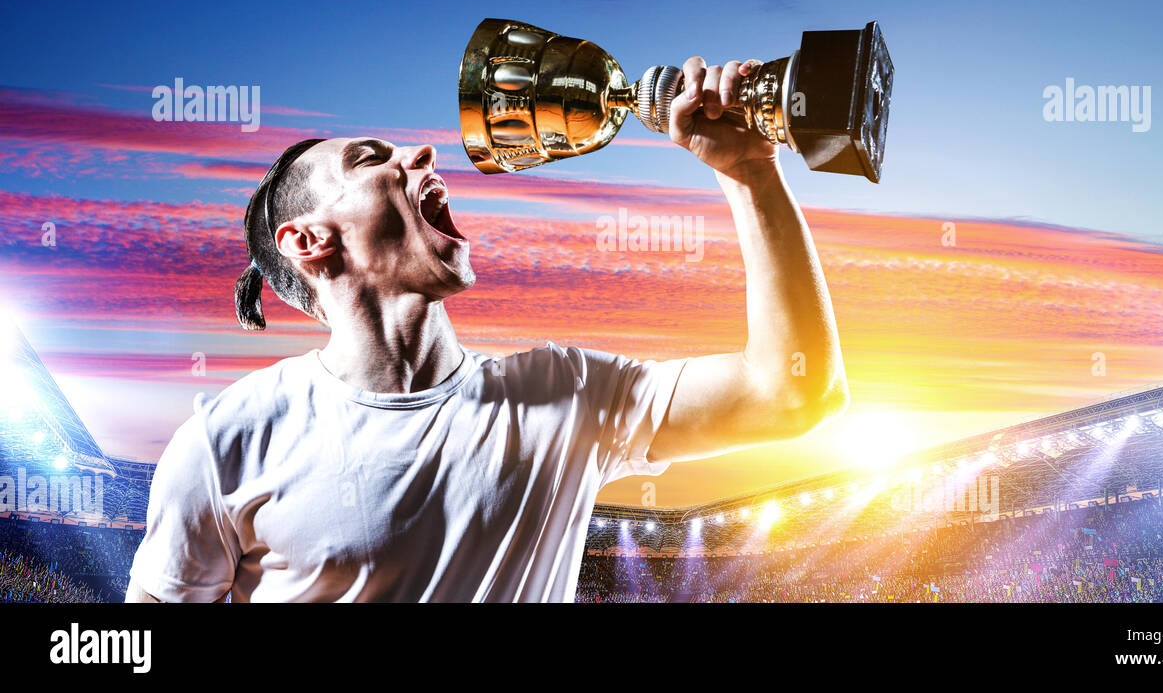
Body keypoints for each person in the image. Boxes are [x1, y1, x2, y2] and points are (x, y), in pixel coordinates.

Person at [127, 57, 848, 602]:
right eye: (369, 159)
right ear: (308, 242)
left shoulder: (565, 395)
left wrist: (751, 172)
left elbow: (792, 391)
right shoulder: (227, 442)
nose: (420, 155)